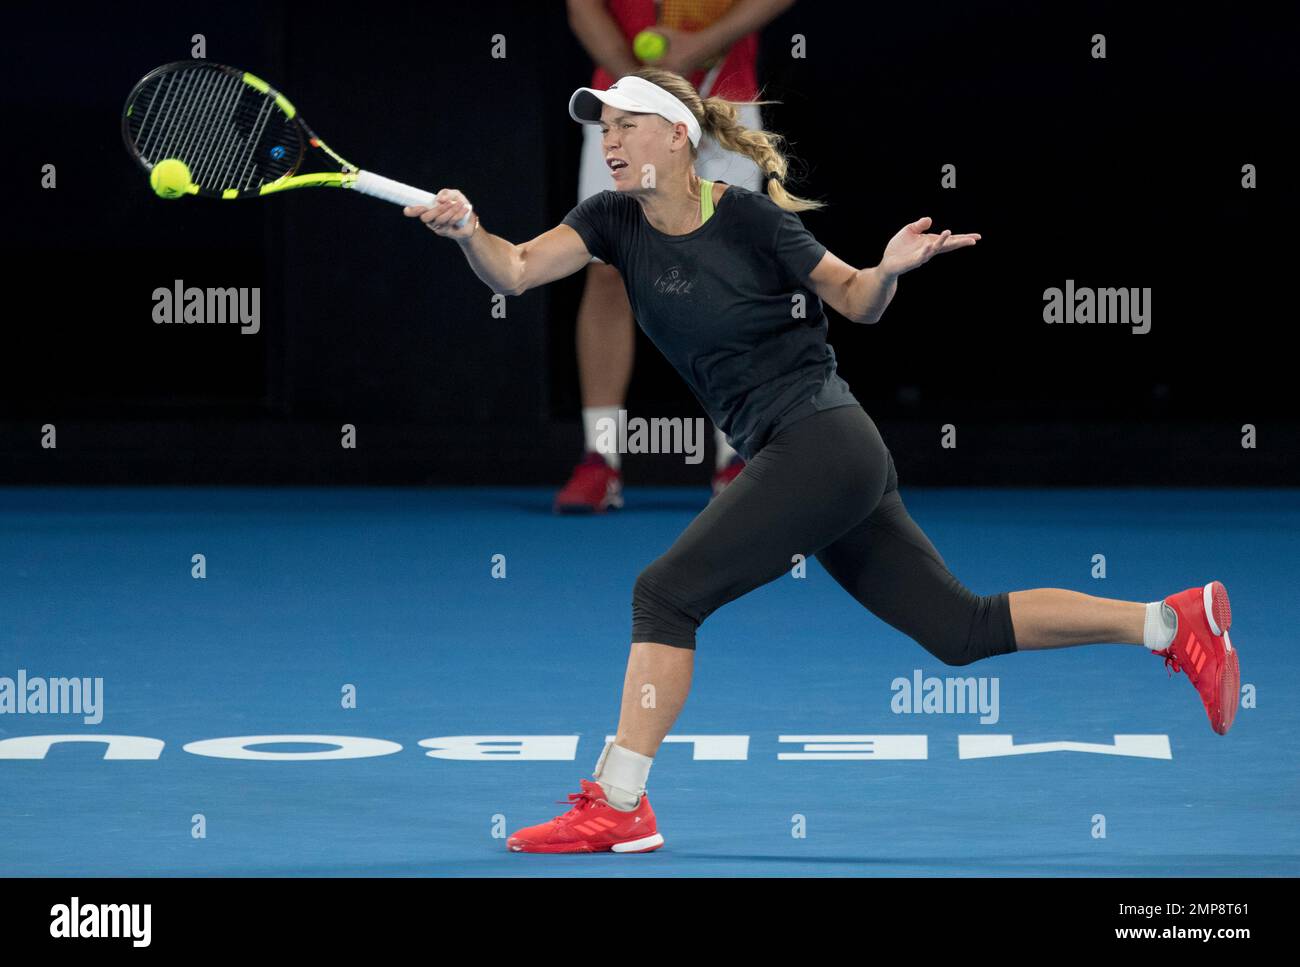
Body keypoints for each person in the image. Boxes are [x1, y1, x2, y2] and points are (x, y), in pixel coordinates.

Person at [402, 69, 1242, 855]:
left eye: (627, 125)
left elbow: (853, 298)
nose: (611, 141)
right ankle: (1170, 623)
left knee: (665, 593)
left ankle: (620, 804)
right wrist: (469, 231)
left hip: (824, 442)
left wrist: (889, 270)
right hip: (816, 456)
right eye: (606, 128)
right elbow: (512, 271)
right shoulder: (608, 220)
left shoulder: (753, 219)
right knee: (961, 629)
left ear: (676, 136)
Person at [558, 0, 796, 512]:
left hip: (725, 103)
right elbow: (583, 9)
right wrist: (641, 89)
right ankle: (600, 459)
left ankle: (737, 458)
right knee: (606, 273)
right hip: (624, 105)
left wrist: (698, 46)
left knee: (729, 277)